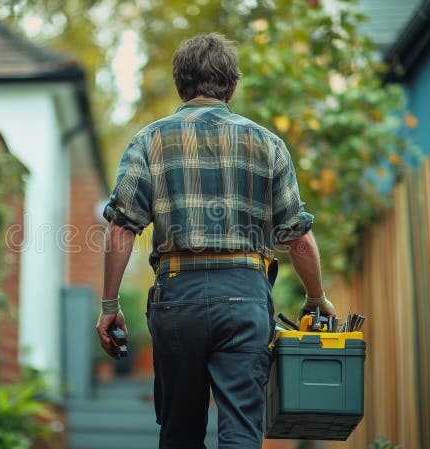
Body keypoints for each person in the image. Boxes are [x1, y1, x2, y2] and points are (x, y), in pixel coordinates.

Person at [96, 33, 335, 449]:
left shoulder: (148, 141)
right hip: (245, 296)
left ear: (178, 85)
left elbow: (121, 228)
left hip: (177, 298)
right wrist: (316, 298)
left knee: (180, 432)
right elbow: (297, 237)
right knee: (241, 429)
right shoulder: (268, 144)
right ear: (233, 85)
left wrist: (109, 306)